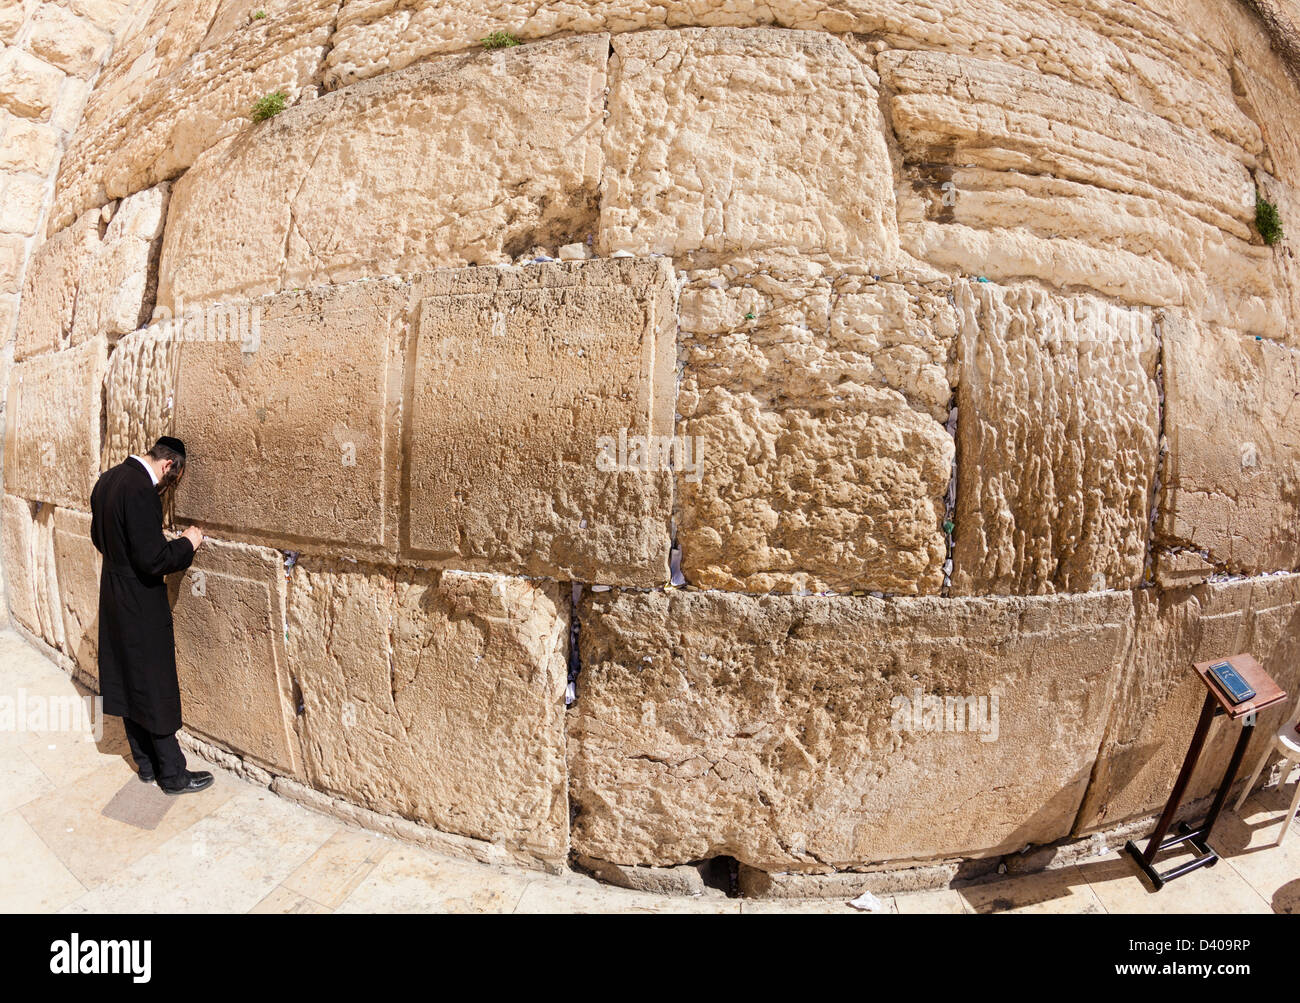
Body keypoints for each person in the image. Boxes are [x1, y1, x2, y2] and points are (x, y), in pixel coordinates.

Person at [90, 436, 213, 795]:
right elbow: (153, 559)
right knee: (154, 682)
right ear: (169, 465)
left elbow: (100, 537)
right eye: (172, 479)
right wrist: (188, 542)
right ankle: (173, 774)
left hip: (112, 593)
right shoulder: (141, 489)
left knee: (129, 678)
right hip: (140, 601)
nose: (167, 487)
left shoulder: (108, 480)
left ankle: (145, 764)